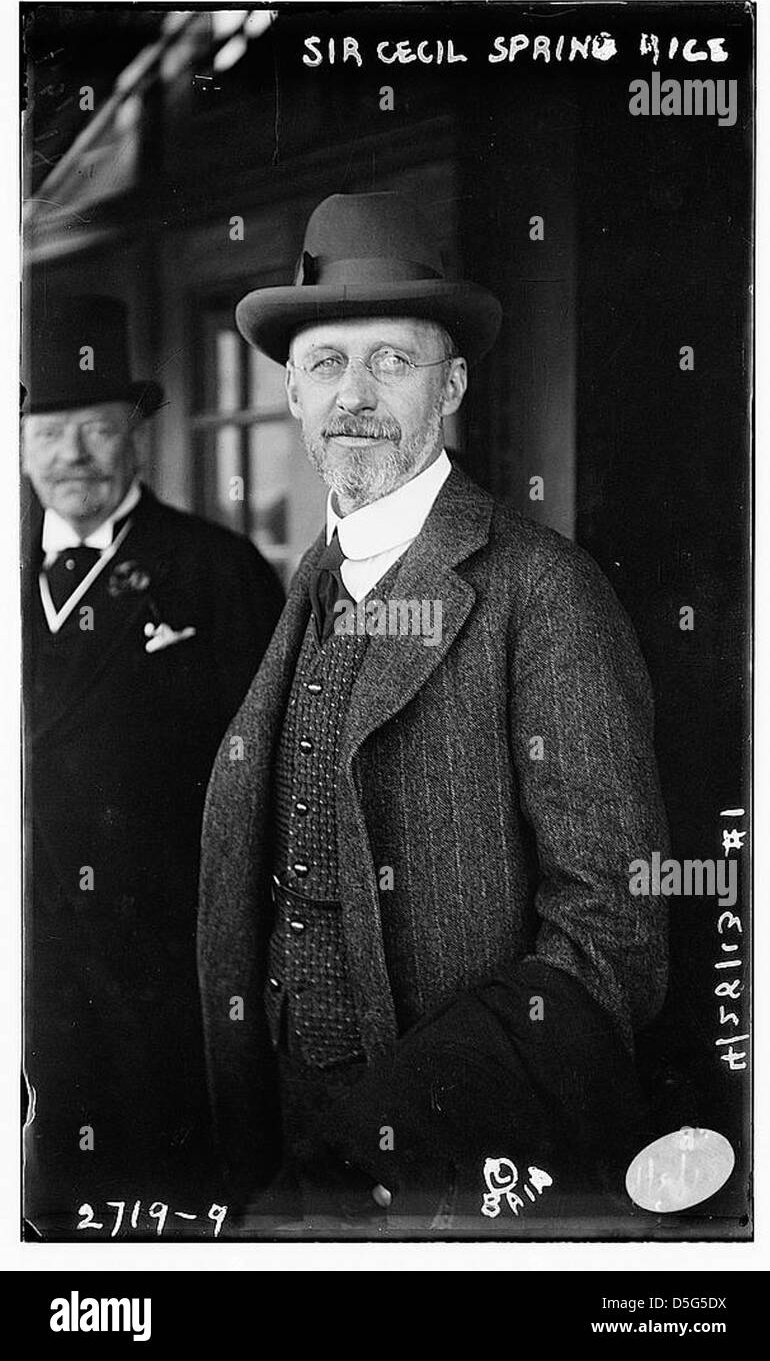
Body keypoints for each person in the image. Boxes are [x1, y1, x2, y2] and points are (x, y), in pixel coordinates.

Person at [198, 193, 670, 1230]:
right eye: (327, 364)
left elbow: (611, 933)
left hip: (450, 1169)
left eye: (391, 363)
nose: (354, 396)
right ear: (290, 392)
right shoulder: (308, 586)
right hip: (282, 1135)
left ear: (450, 384)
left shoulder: (541, 589)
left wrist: (402, 1135)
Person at [21, 294, 284, 1234]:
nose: (74, 454)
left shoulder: (214, 570)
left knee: (162, 1193)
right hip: (30, 958)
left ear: (134, 432)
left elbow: (270, 775)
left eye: (96, 427)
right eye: (49, 430)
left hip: (166, 960)